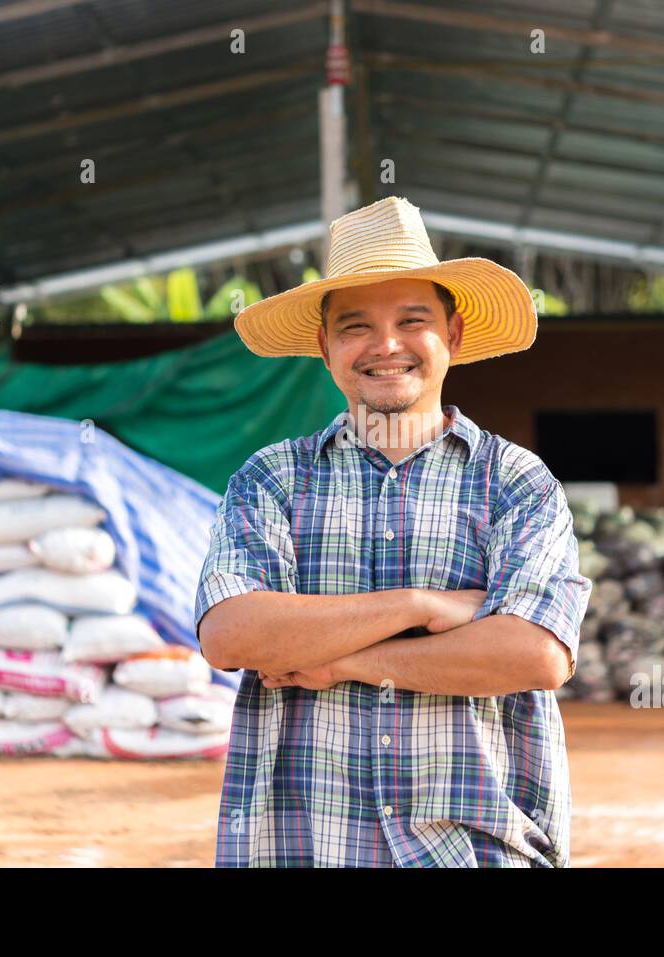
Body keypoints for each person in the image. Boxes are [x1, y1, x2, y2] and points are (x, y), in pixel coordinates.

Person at [193, 196, 591, 867]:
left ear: (454, 336)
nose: (385, 346)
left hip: (473, 850)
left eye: (413, 321)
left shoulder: (516, 483)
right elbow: (232, 634)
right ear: (324, 346)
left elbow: (534, 654)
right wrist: (423, 605)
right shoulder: (272, 481)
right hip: (305, 845)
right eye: (355, 327)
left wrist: (343, 660)